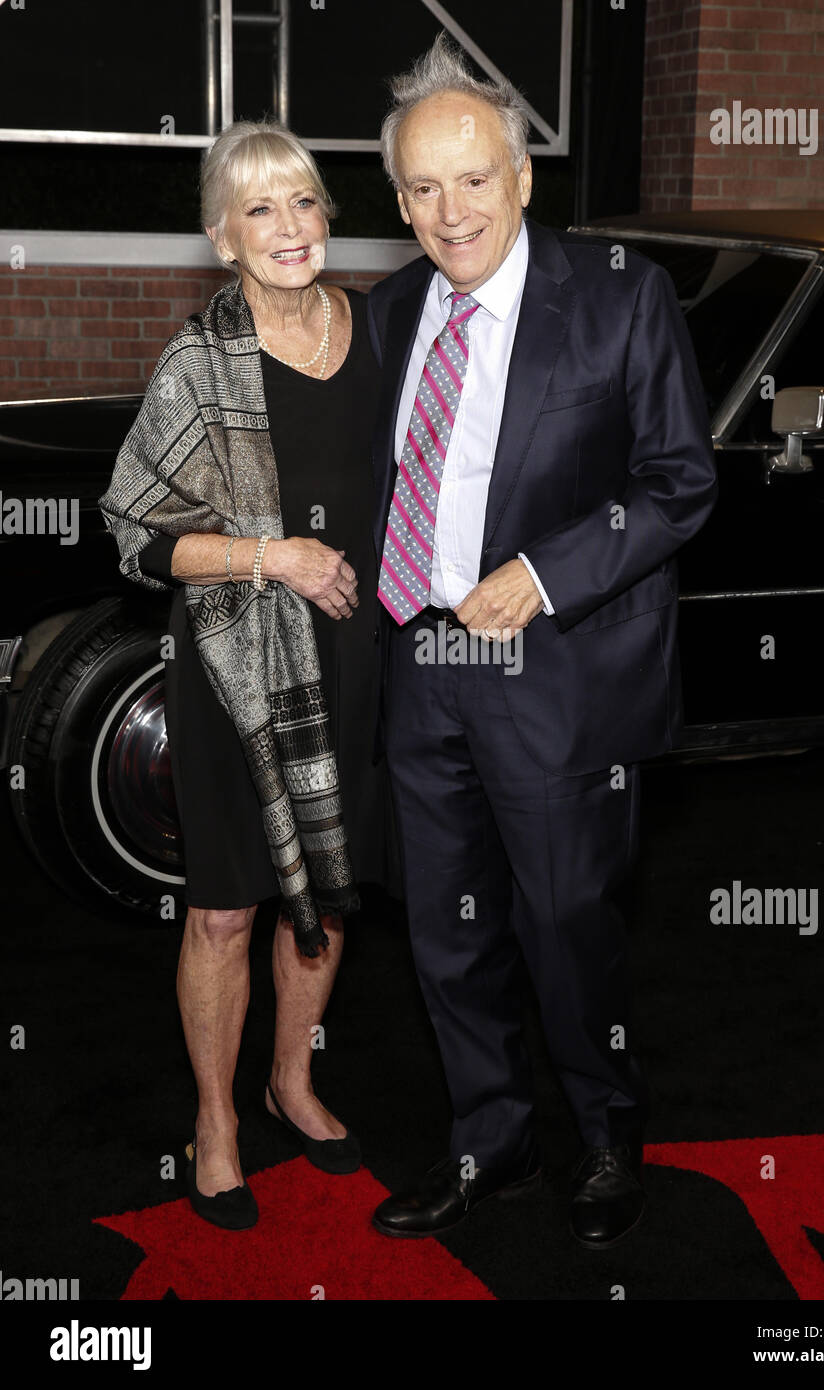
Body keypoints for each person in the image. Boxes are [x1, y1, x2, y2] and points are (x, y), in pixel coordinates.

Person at [367, 35, 717, 1248]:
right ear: (398, 197)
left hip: (557, 675)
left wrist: (541, 574)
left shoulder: (619, 296)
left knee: (566, 927)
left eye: (471, 179)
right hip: (424, 668)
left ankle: (607, 1139)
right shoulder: (392, 308)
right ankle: (490, 1142)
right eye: (420, 187)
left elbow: (679, 485)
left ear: (521, 177)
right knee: (445, 927)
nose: (447, 211)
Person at [99, 121, 394, 1230]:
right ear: (222, 235)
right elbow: (135, 533)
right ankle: (215, 1120)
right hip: (231, 669)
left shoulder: (375, 335)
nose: (288, 227)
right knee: (224, 911)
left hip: (353, 651)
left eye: (306, 202)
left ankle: (292, 1080)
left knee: (323, 890)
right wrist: (276, 556)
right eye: (260, 209)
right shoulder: (195, 362)